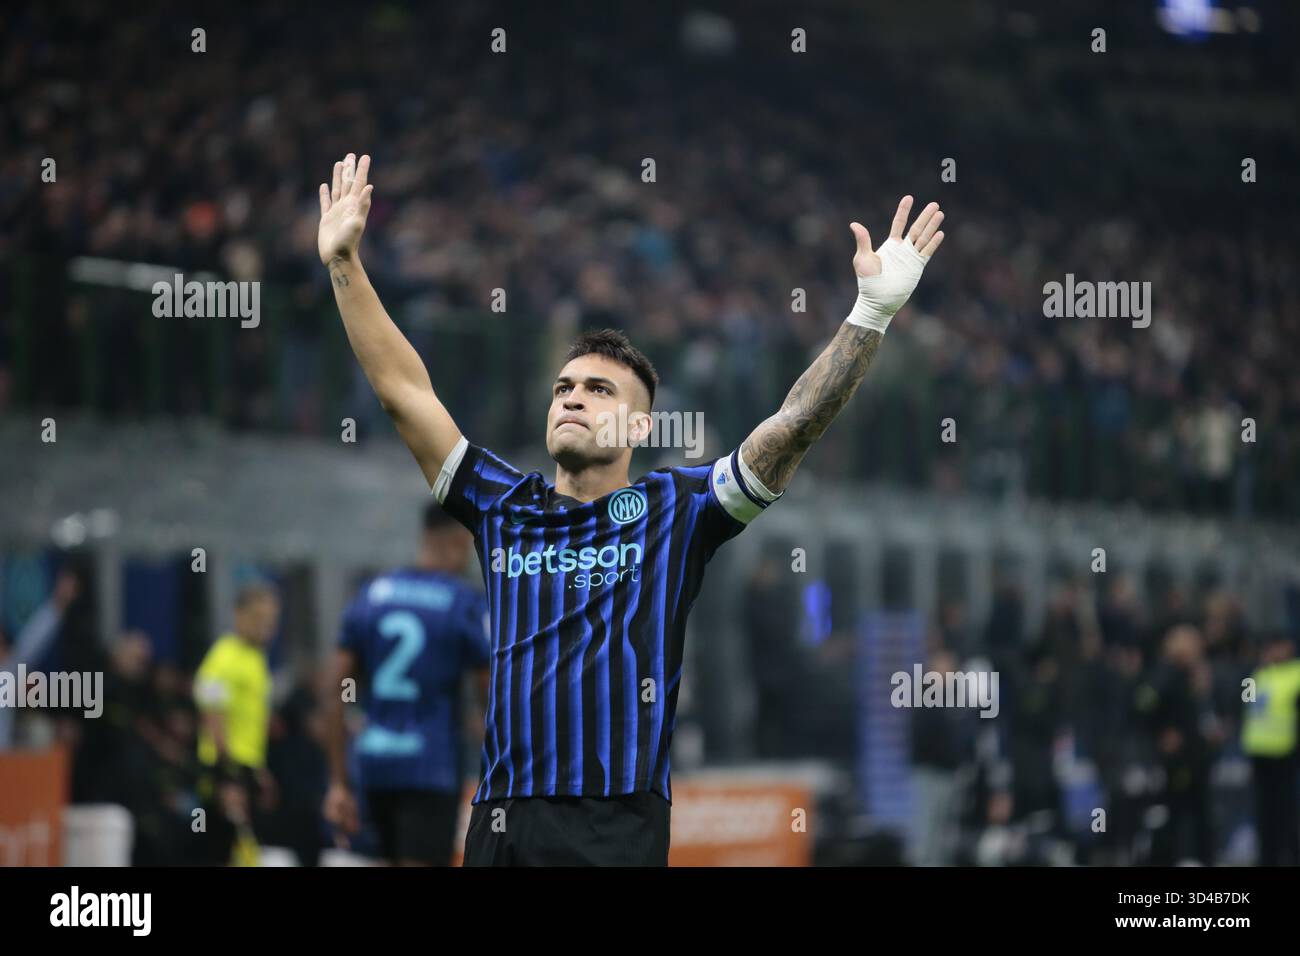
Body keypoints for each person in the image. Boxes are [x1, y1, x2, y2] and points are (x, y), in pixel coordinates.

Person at [318, 151, 944, 865]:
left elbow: (792, 425)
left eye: (599, 390)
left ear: (641, 428)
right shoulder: (503, 506)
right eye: (563, 388)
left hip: (615, 828)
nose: (574, 398)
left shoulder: (676, 512)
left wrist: (870, 313)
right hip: (501, 821)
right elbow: (406, 392)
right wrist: (345, 266)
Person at [323, 503, 490, 865]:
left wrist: (338, 781)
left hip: (375, 767)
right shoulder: (462, 602)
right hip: (430, 770)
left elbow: (334, 689)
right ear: (460, 541)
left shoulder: (371, 594)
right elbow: (489, 691)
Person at [192, 582, 280, 866]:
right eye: (258, 619)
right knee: (219, 852)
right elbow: (212, 716)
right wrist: (228, 779)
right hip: (223, 769)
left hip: (246, 768)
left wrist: (259, 771)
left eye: (270, 622)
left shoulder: (256, 658)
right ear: (238, 615)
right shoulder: (223, 656)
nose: (266, 627)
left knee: (241, 855)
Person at [1241, 633, 1300, 866]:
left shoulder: (1296, 672)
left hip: (1285, 751)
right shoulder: (1258, 673)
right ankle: (1268, 857)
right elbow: (1246, 702)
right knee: (1264, 812)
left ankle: (1291, 855)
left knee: (1285, 811)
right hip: (1258, 751)